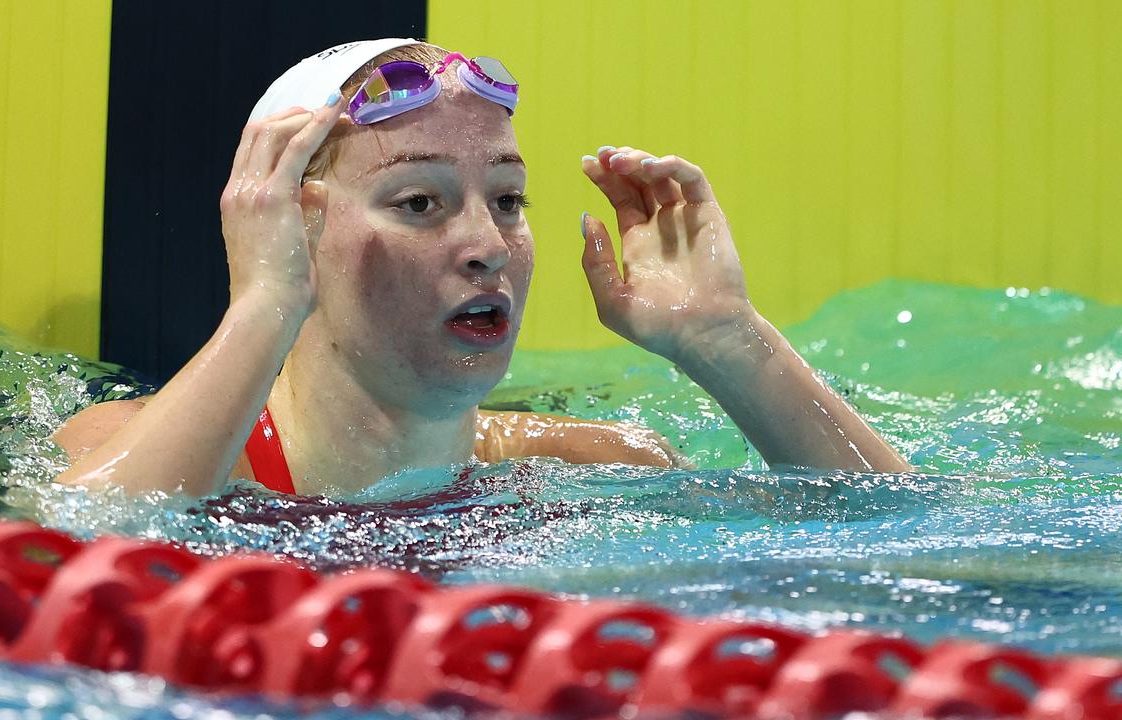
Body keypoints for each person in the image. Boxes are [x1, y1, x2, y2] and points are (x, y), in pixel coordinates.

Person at [54, 39, 909, 497]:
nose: (490, 245)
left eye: (507, 199)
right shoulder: (127, 449)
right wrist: (264, 304)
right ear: (293, 227)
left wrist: (730, 342)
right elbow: (85, 544)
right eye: (418, 203)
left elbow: (908, 541)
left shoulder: (597, 468)